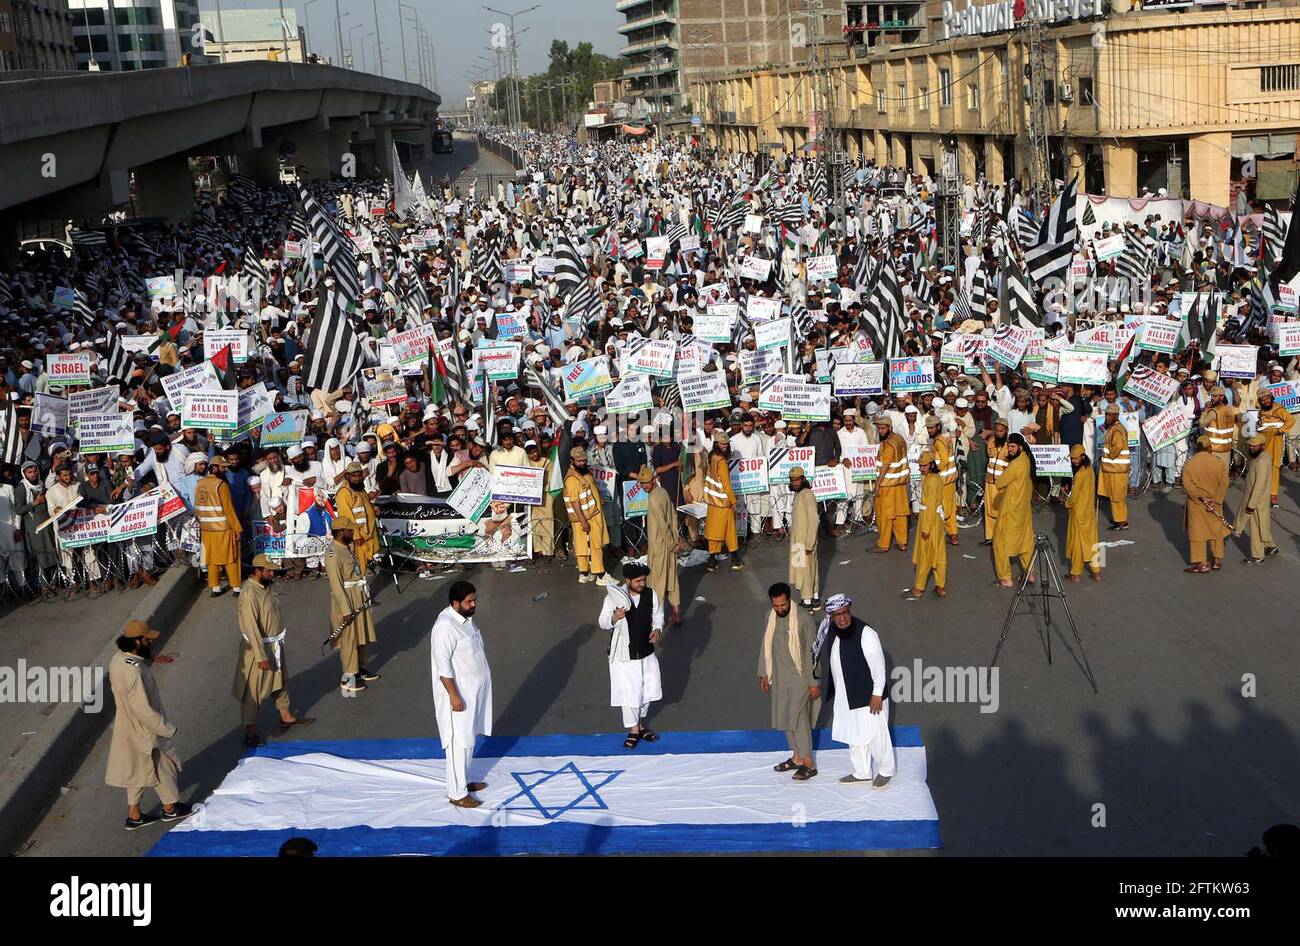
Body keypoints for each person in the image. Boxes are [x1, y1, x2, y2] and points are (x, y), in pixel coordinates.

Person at [105, 620, 193, 830]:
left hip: (126, 726)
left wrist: (149, 660)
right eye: (146, 640)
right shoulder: (135, 671)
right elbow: (143, 708)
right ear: (136, 641)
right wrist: (166, 728)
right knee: (163, 764)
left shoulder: (118, 659)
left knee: (138, 770)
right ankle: (170, 808)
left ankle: (134, 815)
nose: (149, 642)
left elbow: (132, 666)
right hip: (145, 729)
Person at [813, 594, 894, 787]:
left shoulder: (866, 633)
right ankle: (862, 772)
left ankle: (886, 770)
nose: (842, 618)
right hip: (845, 694)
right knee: (853, 735)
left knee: (877, 735)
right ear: (831, 617)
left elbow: (878, 667)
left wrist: (876, 694)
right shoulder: (832, 631)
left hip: (869, 696)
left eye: (845, 613)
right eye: (837, 615)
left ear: (850, 611)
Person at [233, 554, 314, 747]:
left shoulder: (266, 587)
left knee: (281, 681)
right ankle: (249, 732)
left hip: (274, 644)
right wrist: (260, 656)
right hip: (257, 650)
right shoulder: (249, 594)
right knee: (253, 691)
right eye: (268, 570)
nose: (272, 573)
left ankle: (285, 716)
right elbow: (252, 628)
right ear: (257, 571)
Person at [431, 580, 493, 808]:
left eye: (474, 599)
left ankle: (463, 782)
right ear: (455, 603)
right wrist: (454, 697)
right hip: (459, 696)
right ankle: (456, 793)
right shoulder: (445, 627)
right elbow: (443, 667)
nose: (474, 604)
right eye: (469, 601)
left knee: (469, 739)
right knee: (459, 742)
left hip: (474, 693)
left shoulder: (465, 619)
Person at [759, 582, 820, 780]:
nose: (779, 609)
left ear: (789, 599)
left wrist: (814, 682)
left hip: (800, 678)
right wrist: (763, 674)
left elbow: (813, 652)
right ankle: (797, 758)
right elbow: (765, 646)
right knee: (785, 717)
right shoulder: (770, 617)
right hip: (779, 676)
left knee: (798, 718)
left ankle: (809, 763)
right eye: (776, 606)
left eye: (782, 605)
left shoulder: (803, 619)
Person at [599, 562, 664, 749]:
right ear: (627, 580)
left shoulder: (650, 594)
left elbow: (658, 614)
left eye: (643, 580)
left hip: (646, 651)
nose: (642, 583)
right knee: (630, 692)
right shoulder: (613, 598)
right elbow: (603, 622)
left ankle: (641, 724)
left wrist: (657, 629)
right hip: (624, 655)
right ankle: (634, 729)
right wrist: (615, 618)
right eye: (638, 581)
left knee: (648, 689)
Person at [326, 512, 379, 693]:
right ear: (341, 532)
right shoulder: (333, 553)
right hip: (347, 598)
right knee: (349, 638)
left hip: (358, 594)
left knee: (361, 633)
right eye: (350, 530)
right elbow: (336, 584)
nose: (352, 533)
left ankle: (359, 668)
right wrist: (345, 610)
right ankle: (349, 677)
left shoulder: (347, 547)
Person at [195, 454, 243, 597]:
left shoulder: (200, 483)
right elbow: (229, 509)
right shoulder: (221, 485)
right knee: (231, 558)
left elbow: (197, 507)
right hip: (223, 529)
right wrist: (238, 528)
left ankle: (215, 587)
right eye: (223, 468)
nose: (226, 471)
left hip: (207, 530)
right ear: (215, 468)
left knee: (212, 559)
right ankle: (236, 587)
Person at [1182, 434, 1231, 574]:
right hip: (1215, 504)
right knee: (1216, 530)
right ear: (1210, 447)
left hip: (1197, 505)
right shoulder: (1219, 463)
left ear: (1197, 448)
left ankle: (1202, 563)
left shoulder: (1189, 465)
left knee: (1197, 534)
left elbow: (1188, 485)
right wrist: (1215, 500)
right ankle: (1217, 560)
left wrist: (1201, 497)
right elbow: (1224, 483)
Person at [992, 432, 1036, 588]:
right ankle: (1029, 573)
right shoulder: (1026, 460)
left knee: (1000, 544)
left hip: (1011, 511)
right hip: (1023, 510)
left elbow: (1000, 483)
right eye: (1008, 446)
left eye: (1012, 446)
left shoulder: (1016, 464)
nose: (1009, 449)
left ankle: (1005, 578)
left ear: (1021, 448)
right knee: (1025, 543)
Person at [641, 466, 684, 624]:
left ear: (653, 480)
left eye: (647, 482)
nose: (645, 486)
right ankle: (676, 611)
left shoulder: (653, 498)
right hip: (670, 543)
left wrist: (672, 544)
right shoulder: (663, 492)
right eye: (642, 483)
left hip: (660, 546)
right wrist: (675, 538)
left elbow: (662, 524)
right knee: (672, 578)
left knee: (657, 583)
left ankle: (658, 619)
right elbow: (673, 515)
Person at [563, 445, 609, 585]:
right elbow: (574, 502)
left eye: (584, 460)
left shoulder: (584, 472)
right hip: (585, 518)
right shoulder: (572, 479)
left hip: (591, 515)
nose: (583, 463)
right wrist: (583, 521)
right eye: (579, 461)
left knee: (583, 546)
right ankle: (600, 574)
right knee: (594, 545)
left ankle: (584, 573)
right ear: (572, 461)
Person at [903, 449, 946, 599]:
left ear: (931, 464)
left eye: (924, 466)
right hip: (937, 521)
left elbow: (931, 506)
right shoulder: (934, 478)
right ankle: (940, 586)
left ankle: (919, 588)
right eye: (920, 466)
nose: (921, 468)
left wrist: (926, 529)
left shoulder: (931, 482)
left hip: (930, 521)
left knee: (925, 555)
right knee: (939, 554)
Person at [1235, 434, 1279, 564]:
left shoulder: (1262, 461)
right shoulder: (1259, 457)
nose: (1252, 448)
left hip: (1257, 500)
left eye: (1254, 446)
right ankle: (1271, 547)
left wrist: (1251, 504)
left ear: (1262, 446)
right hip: (1257, 499)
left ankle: (1257, 555)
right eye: (1251, 445)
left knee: (1256, 527)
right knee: (1262, 525)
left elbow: (1259, 485)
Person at [703, 429, 741, 570]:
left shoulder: (712, 457)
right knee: (730, 531)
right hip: (723, 502)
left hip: (713, 501)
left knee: (714, 531)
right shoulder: (722, 462)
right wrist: (733, 501)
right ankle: (735, 559)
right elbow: (726, 483)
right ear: (717, 443)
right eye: (722, 444)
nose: (724, 446)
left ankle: (712, 561)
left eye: (726, 443)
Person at [870, 415, 909, 552]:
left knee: (885, 515)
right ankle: (902, 542)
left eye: (882, 428)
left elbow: (885, 466)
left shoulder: (887, 444)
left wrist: (877, 485)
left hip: (887, 485)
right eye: (879, 428)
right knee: (900, 513)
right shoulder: (899, 438)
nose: (880, 431)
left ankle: (883, 544)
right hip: (900, 484)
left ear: (890, 427)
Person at [1064, 444, 1101, 582]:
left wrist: (1067, 503)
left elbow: (1074, 496)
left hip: (1078, 512)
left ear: (1083, 456)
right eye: (1072, 459)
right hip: (1090, 512)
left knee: (1077, 544)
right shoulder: (1090, 470)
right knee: (1093, 542)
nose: (1074, 461)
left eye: (1075, 458)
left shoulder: (1079, 475)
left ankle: (1075, 573)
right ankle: (1097, 572)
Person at [335, 461, 379, 574]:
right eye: (354, 476)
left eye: (359, 475)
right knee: (359, 569)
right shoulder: (344, 492)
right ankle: (359, 591)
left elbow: (364, 506)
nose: (357, 478)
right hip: (358, 537)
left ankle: (364, 590)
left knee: (364, 567)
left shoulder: (360, 488)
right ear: (347, 476)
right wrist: (355, 536)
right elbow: (346, 517)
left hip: (367, 533)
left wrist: (373, 508)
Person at [786, 466, 820, 609]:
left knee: (805, 571)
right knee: (809, 569)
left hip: (805, 541)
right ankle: (814, 598)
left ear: (803, 479)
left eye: (797, 480)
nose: (794, 483)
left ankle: (807, 601)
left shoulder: (807, 494)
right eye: (792, 480)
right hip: (799, 540)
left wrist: (809, 543)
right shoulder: (799, 494)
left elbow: (814, 519)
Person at [1254, 389, 1295, 505]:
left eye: (1267, 398)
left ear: (1271, 397)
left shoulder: (1278, 409)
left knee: (1274, 466)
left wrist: (1279, 431)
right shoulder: (1261, 410)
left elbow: (1291, 420)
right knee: (1262, 465)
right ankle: (1262, 490)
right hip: (1263, 440)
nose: (1266, 401)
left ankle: (1273, 494)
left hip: (1276, 440)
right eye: (1263, 400)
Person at [1097, 404, 1130, 531]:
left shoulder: (1117, 429)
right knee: (1114, 495)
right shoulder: (1114, 428)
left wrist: (1109, 455)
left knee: (1117, 496)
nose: (1107, 417)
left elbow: (1118, 446)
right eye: (1106, 414)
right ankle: (1118, 518)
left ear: (1116, 416)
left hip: (1117, 469)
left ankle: (1121, 521)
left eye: (1110, 415)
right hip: (1113, 469)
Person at [980, 418, 1012, 546]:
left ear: (1006, 431)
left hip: (1002, 484)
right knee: (988, 510)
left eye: (1001, 431)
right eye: (997, 431)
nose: (999, 433)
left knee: (1000, 511)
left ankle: (1001, 536)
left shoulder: (1010, 445)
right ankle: (990, 537)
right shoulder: (991, 441)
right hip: (989, 481)